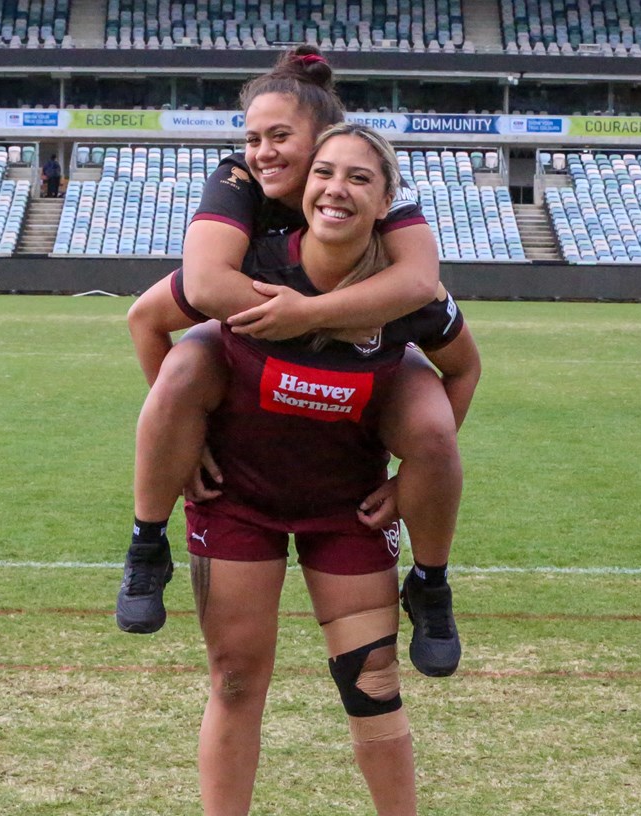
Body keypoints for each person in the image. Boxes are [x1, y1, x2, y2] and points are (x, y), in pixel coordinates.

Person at [148, 123, 480, 816]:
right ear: (304, 190)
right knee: (236, 679)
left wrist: (406, 480)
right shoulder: (252, 269)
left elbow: (464, 368)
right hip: (239, 499)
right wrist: (185, 449)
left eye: (359, 178)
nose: (336, 189)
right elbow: (149, 320)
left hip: (346, 508)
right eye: (324, 173)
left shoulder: (407, 294)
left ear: (388, 201)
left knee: (374, 681)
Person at [119, 48, 467, 679]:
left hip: (350, 369)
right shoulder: (239, 181)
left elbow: (419, 282)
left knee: (431, 424)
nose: (263, 151)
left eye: (281, 136)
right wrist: (186, 441)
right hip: (259, 338)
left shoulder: (366, 185)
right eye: (253, 137)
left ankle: (431, 581)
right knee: (187, 365)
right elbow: (198, 284)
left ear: (326, 141)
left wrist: (310, 315)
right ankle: (147, 542)